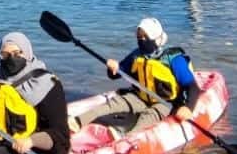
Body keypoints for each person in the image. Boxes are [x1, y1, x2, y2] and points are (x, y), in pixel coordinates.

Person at [67, 18, 200, 137]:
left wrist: (188, 108)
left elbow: (193, 87)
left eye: (145, 36)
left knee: (149, 116)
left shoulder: (174, 60)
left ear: (155, 37)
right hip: (140, 97)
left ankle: (127, 140)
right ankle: (77, 122)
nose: (141, 40)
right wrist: (112, 67)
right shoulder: (137, 55)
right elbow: (116, 74)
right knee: (113, 104)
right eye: (139, 36)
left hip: (165, 103)